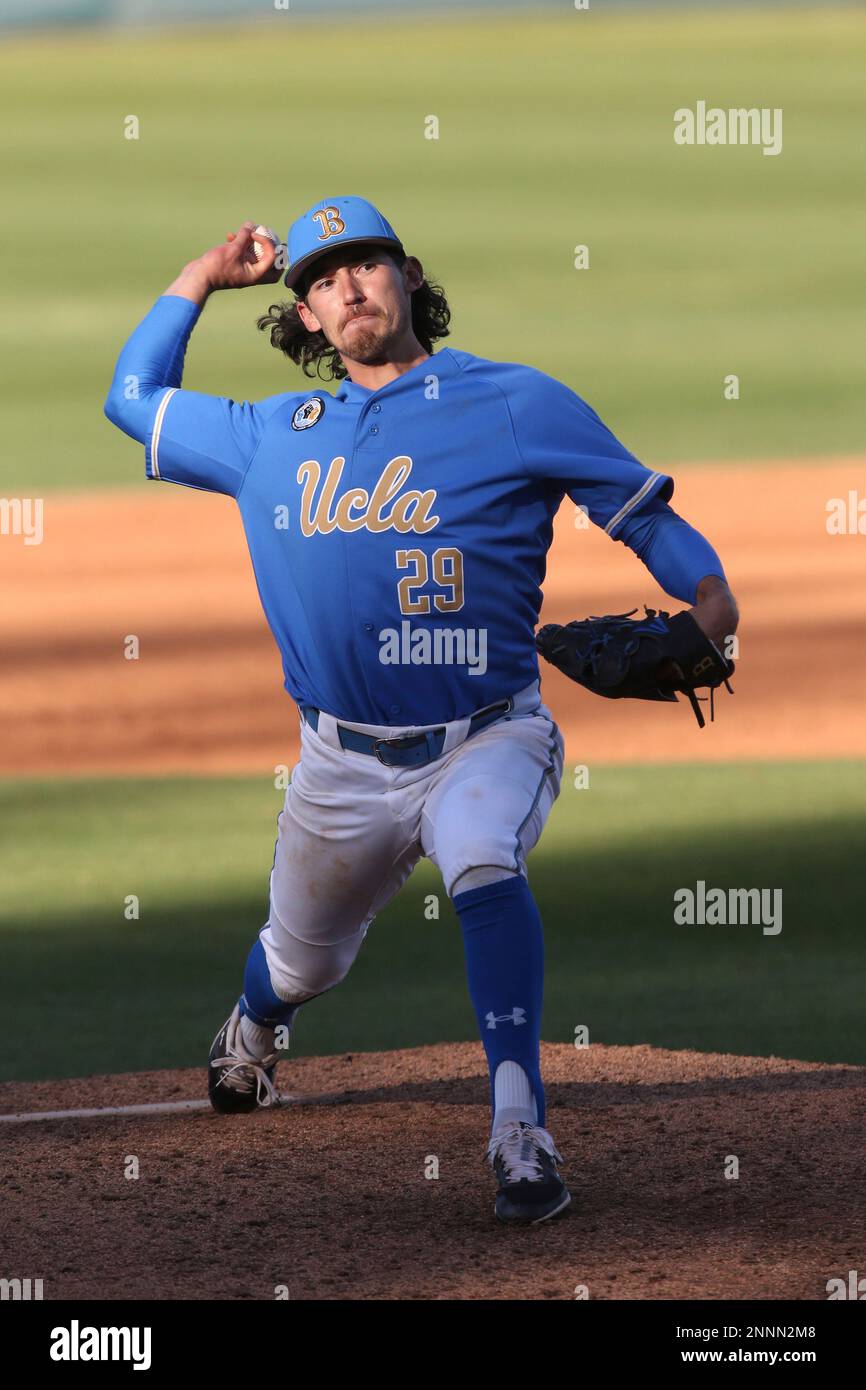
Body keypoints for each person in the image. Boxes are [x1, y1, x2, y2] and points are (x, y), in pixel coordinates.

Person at [104, 196, 738, 1225]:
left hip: (484, 735)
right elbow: (131, 397)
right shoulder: (270, 434)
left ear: (406, 277)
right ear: (304, 316)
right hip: (338, 765)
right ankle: (253, 1033)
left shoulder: (514, 402)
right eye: (320, 278)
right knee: (298, 957)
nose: (346, 286)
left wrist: (713, 603)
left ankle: (517, 1129)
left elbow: (639, 512)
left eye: (364, 264)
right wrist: (198, 277)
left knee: (483, 855)